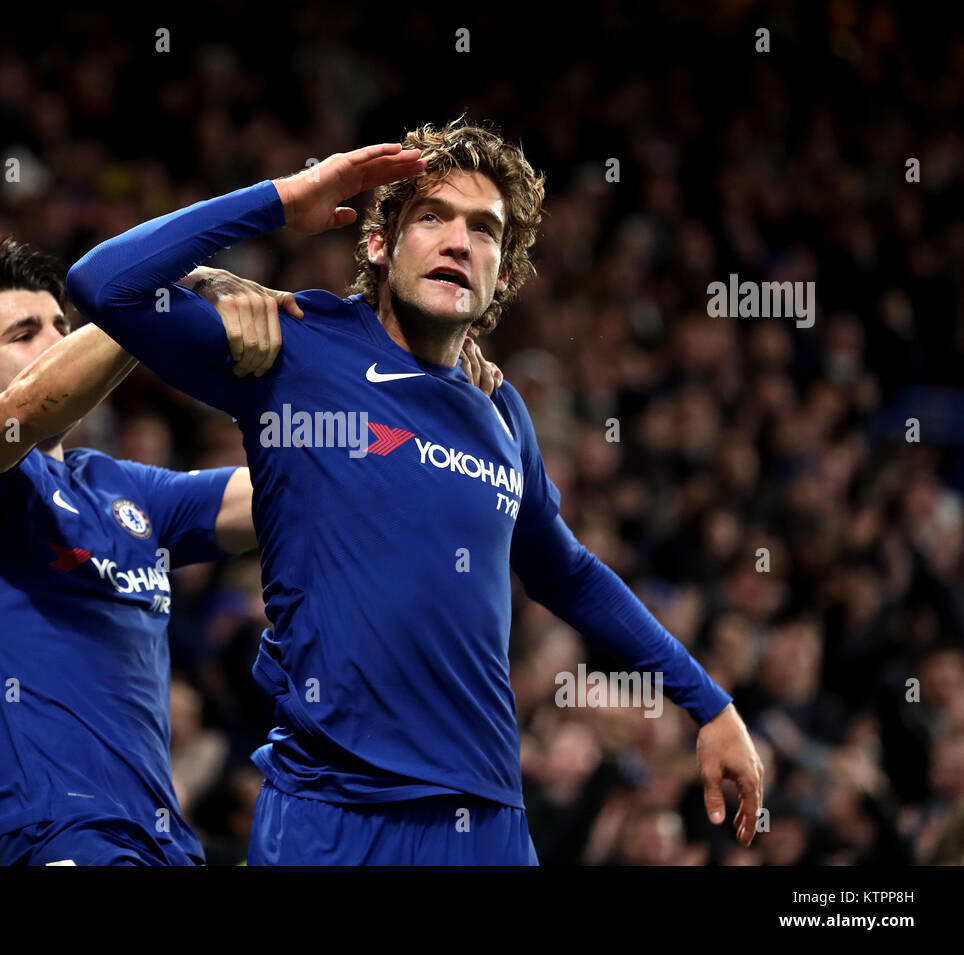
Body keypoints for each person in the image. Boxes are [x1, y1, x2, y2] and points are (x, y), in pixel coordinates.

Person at [66, 119, 764, 865]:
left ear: (502, 274)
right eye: (432, 217)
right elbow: (104, 283)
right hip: (330, 816)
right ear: (379, 243)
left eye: (484, 230)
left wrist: (709, 703)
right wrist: (286, 199)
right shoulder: (295, 347)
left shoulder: (502, 413)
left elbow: (566, 572)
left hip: (486, 822)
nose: (458, 242)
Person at [0, 238, 500, 865]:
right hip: (49, 839)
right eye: (25, 335)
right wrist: (154, 300)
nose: (55, 344)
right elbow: (31, 402)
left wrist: (427, 393)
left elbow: (316, 484)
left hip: (163, 846)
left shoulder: (117, 487)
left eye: (61, 326)